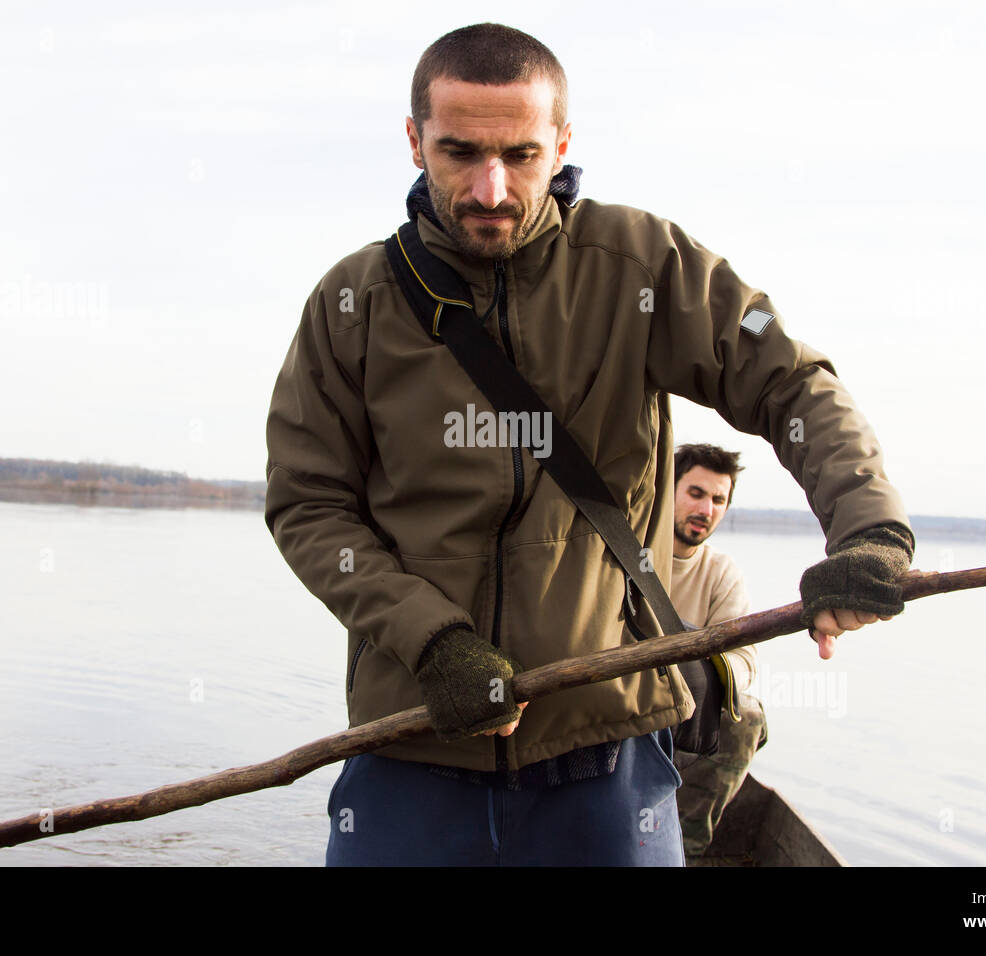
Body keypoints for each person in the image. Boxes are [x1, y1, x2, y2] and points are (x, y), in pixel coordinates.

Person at [264, 23, 915, 866]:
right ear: (414, 140)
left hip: (610, 756)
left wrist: (868, 528)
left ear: (563, 142)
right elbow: (307, 504)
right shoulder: (350, 303)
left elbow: (790, 383)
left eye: (523, 156)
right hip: (412, 747)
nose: (491, 189)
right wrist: (433, 641)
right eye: (459, 152)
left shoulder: (643, 266)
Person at [666, 443, 767, 862]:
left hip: (686, 716)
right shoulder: (620, 552)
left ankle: (686, 852)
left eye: (718, 499)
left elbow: (744, 660)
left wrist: (701, 676)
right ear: (665, 490)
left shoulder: (721, 572)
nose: (706, 509)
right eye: (695, 493)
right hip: (619, 710)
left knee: (749, 718)